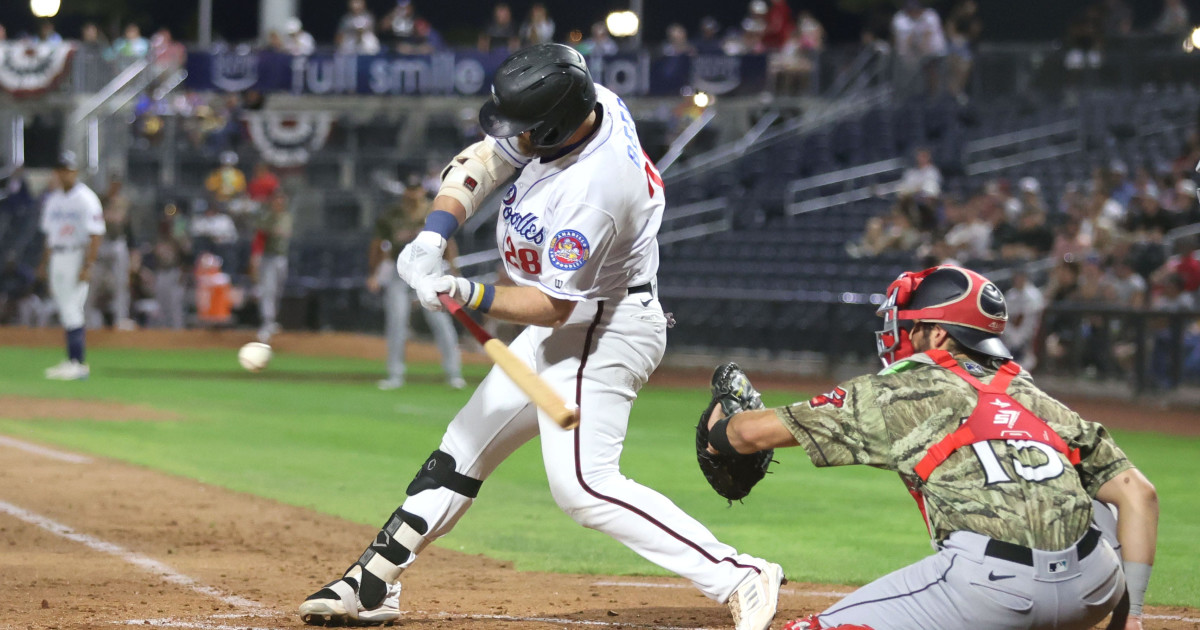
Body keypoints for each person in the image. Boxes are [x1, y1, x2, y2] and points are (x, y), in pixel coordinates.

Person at [298, 43, 783, 630]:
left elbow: (552, 306)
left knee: (583, 486)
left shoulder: (597, 190)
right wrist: (433, 236)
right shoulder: (584, 106)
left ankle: (741, 574)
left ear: (555, 124)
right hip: (574, 318)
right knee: (462, 448)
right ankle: (373, 583)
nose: (514, 138)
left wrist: (463, 291)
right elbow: (483, 161)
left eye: (525, 128)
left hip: (603, 326)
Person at [697, 265, 1158, 630]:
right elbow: (1141, 496)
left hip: (992, 589)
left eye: (913, 325)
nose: (902, 334)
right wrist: (1130, 615)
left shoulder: (899, 390)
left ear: (938, 335)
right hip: (1093, 592)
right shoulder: (1036, 396)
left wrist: (721, 426)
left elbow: (748, 435)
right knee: (1102, 496)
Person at [368, 174, 465, 390]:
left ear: (422, 191)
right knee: (396, 321)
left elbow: (448, 241)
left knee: (440, 322)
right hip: (399, 271)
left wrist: (455, 271)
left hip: (430, 271)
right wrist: (374, 273)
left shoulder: (434, 211)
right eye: (409, 189)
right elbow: (377, 244)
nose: (413, 193)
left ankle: (454, 373)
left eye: (416, 189)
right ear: (405, 191)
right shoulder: (391, 215)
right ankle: (395, 374)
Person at [39, 152, 105, 380]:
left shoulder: (86, 198)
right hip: (58, 255)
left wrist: (88, 265)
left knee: (71, 309)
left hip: (76, 254)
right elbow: (49, 236)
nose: (64, 174)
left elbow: (96, 234)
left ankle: (77, 363)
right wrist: (44, 264)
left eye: (68, 169)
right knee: (65, 308)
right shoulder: (54, 199)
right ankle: (72, 361)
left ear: (75, 172)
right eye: (61, 169)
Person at [90, 177, 136, 330]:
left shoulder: (124, 202)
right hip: (102, 245)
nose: (115, 187)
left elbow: (128, 230)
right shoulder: (101, 200)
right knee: (93, 284)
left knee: (120, 284)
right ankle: (88, 321)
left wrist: (134, 256)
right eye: (112, 183)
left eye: (117, 184)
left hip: (117, 244)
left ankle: (120, 319)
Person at [250, 189, 292, 343]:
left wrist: (272, 229)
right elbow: (261, 229)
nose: (279, 203)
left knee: (277, 291)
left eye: (281, 200)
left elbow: (283, 232)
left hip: (281, 257)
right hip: (268, 257)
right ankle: (266, 323)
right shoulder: (267, 216)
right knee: (268, 290)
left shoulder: (285, 216)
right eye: (277, 200)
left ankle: (272, 321)